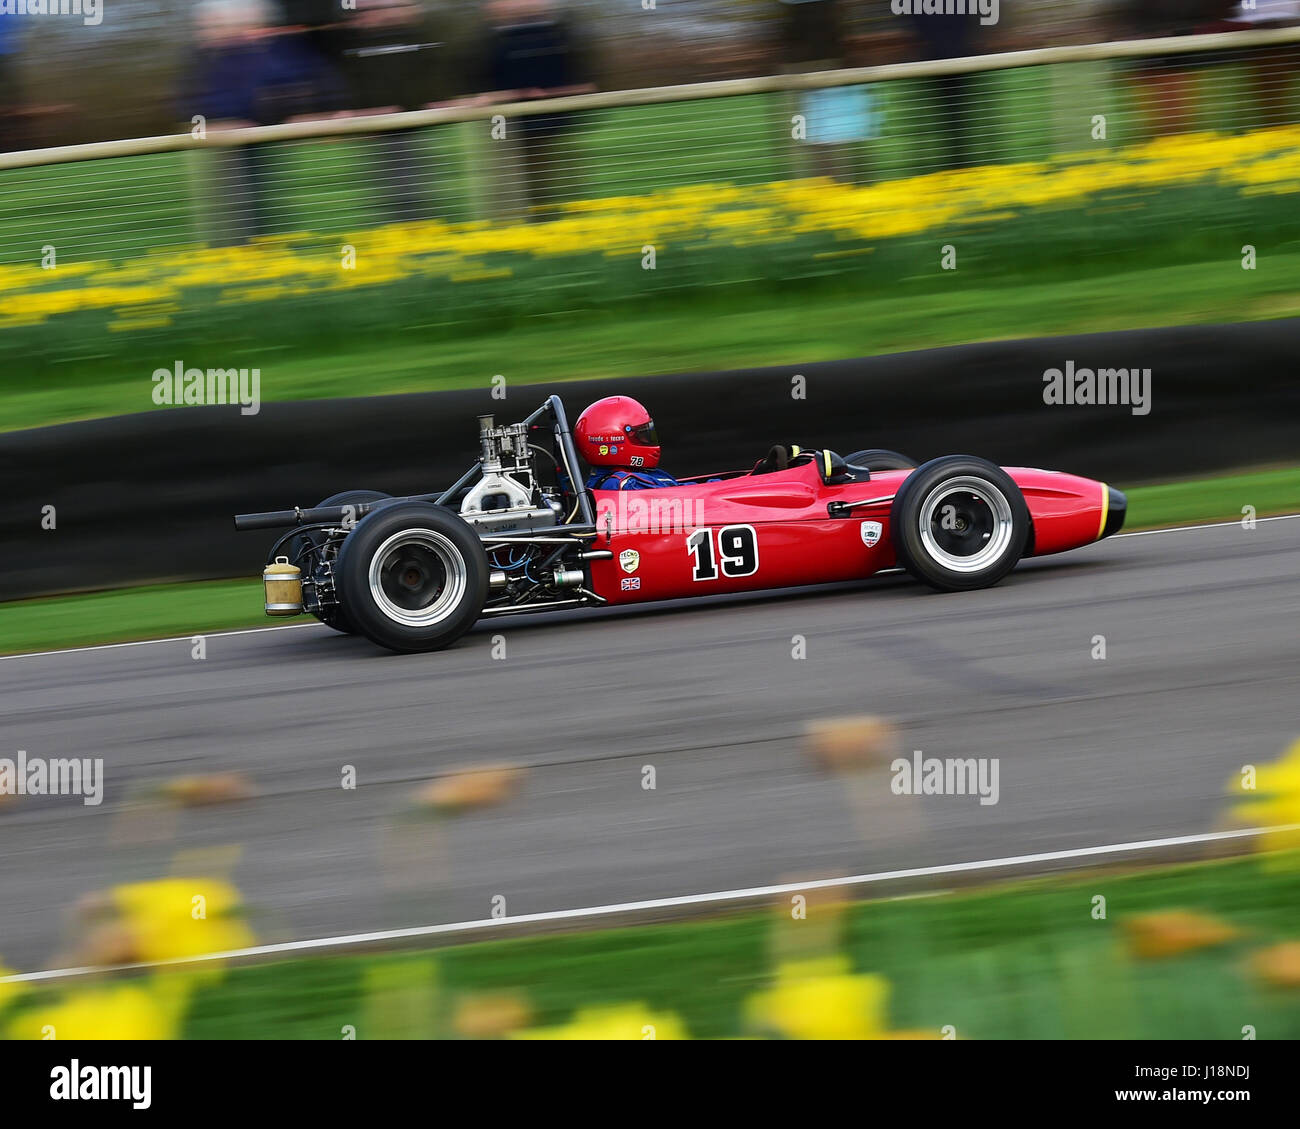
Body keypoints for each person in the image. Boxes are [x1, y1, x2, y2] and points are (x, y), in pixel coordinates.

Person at [575, 396, 685, 490]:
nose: (647, 440)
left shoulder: (605, 479)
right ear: (615, 441)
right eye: (641, 436)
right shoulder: (625, 485)